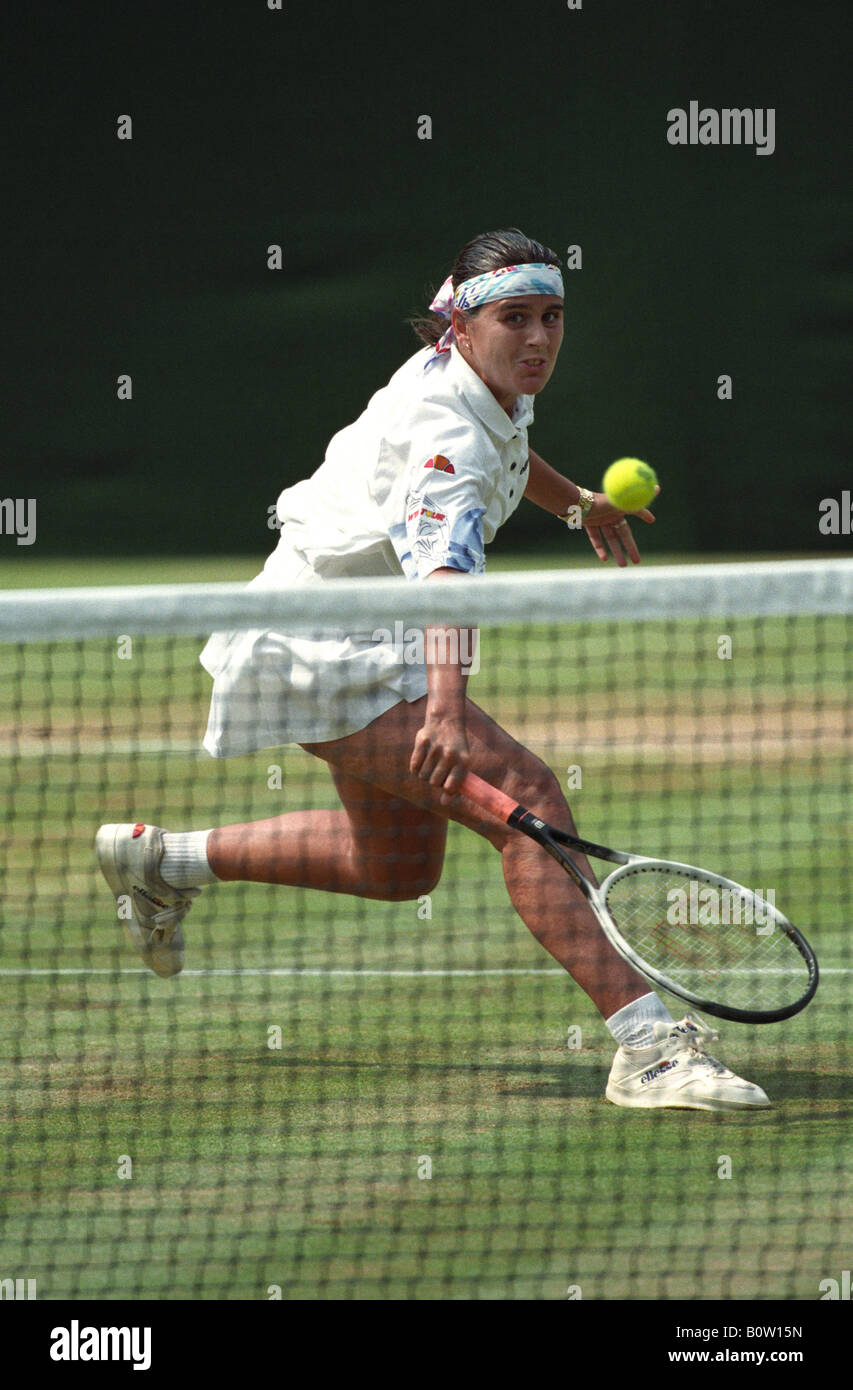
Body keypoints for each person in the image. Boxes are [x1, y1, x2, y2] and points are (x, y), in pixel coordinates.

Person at [96, 228, 769, 1111]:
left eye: (551, 317)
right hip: (321, 650)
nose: (537, 340)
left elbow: (512, 454)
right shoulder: (443, 434)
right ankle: (646, 1048)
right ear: (460, 325)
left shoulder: (481, 386)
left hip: (350, 633)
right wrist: (446, 712)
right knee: (529, 803)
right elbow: (445, 579)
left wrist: (576, 505)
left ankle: (161, 862)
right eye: (514, 320)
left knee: (397, 867)